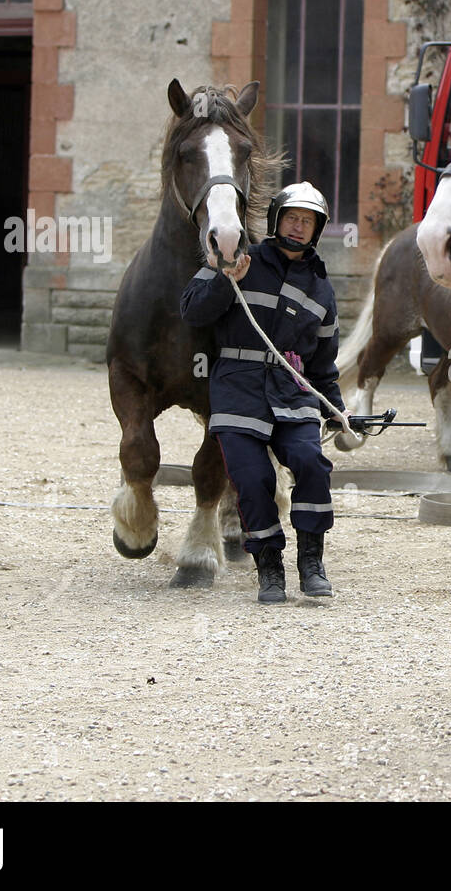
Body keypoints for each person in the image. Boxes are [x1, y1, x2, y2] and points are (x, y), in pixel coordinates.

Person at [180, 181, 345, 604]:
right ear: (275, 220)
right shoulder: (239, 258)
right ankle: (269, 567)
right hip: (238, 390)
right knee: (253, 481)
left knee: (311, 463)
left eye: (307, 221)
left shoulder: (322, 289)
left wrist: (338, 413)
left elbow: (323, 365)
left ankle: (311, 562)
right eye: (292, 217)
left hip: (293, 393)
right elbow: (191, 310)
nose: (298, 226)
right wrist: (223, 279)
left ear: (317, 229)